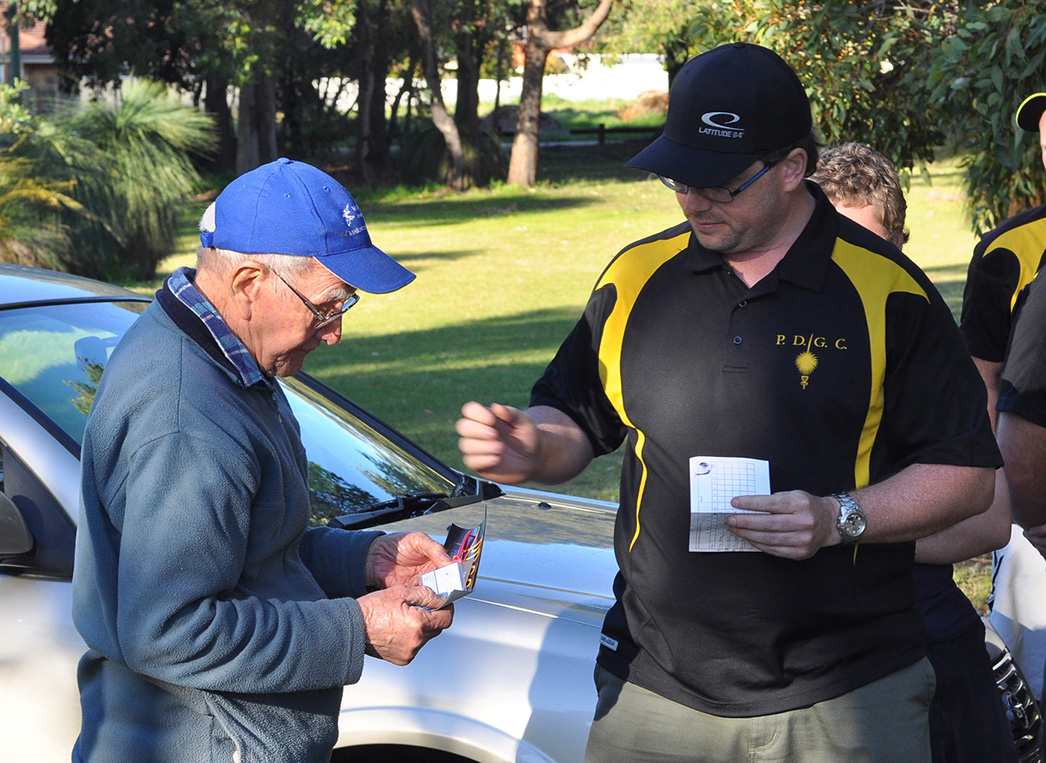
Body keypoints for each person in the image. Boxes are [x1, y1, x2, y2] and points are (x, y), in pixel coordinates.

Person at [457, 42, 1000, 762]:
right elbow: (577, 420)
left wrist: (836, 518)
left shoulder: (888, 293)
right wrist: (533, 444)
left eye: (721, 183)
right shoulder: (636, 277)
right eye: (681, 179)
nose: (694, 199)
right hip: (655, 691)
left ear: (793, 170)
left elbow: (967, 475)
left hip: (848, 696)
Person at [71, 158, 455, 762]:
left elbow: (251, 549)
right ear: (249, 282)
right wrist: (357, 629)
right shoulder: (186, 414)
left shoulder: (227, 356)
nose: (334, 332)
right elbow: (170, 630)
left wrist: (365, 560)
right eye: (329, 304)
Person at [812, 142, 1017, 763]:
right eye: (830, 244)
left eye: (870, 246)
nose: (849, 266)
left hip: (918, 621)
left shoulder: (929, 352)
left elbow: (990, 516)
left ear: (901, 246)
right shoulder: (755, 348)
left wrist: (832, 527)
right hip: (795, 653)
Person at [960, 90, 1046, 700]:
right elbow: (983, 385)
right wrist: (1012, 512)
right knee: (1030, 680)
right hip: (1031, 515)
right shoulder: (1007, 250)